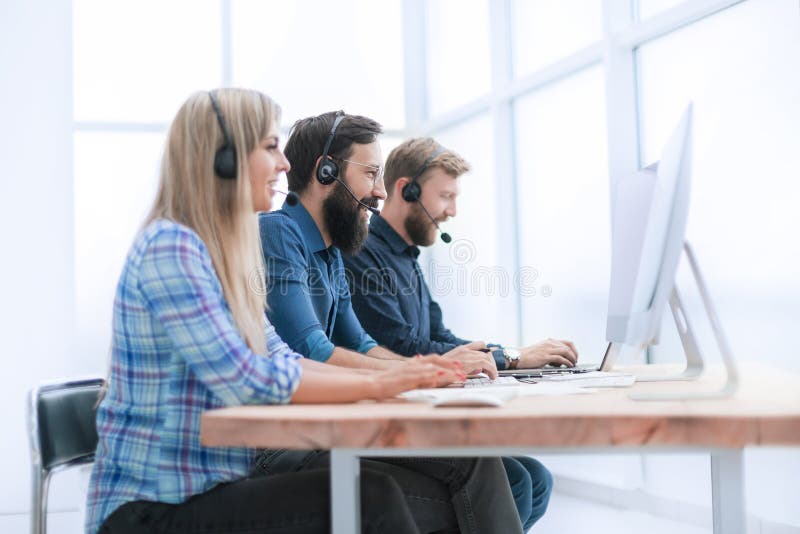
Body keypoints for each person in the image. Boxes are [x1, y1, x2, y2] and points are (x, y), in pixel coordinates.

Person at [85, 90, 521, 534]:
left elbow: (283, 357)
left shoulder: (218, 258)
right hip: (151, 509)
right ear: (224, 159)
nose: (285, 164)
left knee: (386, 493)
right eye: (270, 147)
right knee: (375, 499)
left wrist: (406, 375)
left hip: (209, 486)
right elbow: (246, 378)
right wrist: (383, 379)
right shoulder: (172, 247)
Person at [254, 111, 525, 532]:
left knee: (484, 465)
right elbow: (312, 351)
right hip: (284, 439)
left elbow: (361, 344)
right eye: (370, 174)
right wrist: (417, 375)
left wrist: (424, 371)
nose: (380, 192)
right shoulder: (278, 233)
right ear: (325, 171)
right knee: (476, 469)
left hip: (326, 425)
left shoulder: (330, 252)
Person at [343, 137, 580, 529]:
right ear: (407, 190)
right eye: (446, 197)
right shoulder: (365, 253)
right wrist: (513, 358)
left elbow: (440, 334)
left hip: (417, 408)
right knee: (519, 482)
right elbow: (404, 346)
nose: (452, 211)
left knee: (536, 478)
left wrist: (511, 356)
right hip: (392, 420)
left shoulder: (406, 258)